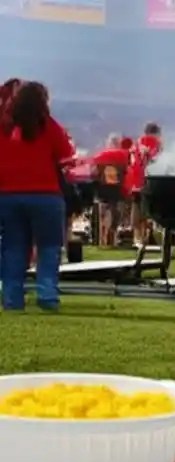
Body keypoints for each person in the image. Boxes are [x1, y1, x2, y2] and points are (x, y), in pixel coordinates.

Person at [0, 81, 74, 312]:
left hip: (7, 196)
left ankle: (12, 298)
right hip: (45, 196)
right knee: (49, 248)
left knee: (13, 248)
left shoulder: (3, 126)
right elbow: (66, 156)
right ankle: (47, 295)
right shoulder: (49, 126)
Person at [91, 134, 130, 248]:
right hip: (117, 190)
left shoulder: (100, 156)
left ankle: (103, 240)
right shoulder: (123, 156)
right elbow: (127, 171)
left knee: (104, 215)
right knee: (114, 215)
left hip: (103, 189)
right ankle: (111, 239)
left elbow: (93, 171)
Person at [126, 122, 162, 246]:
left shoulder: (136, 144)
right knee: (148, 208)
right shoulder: (155, 143)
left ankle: (137, 238)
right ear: (156, 133)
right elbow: (157, 160)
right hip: (148, 178)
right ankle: (147, 237)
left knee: (136, 206)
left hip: (134, 180)